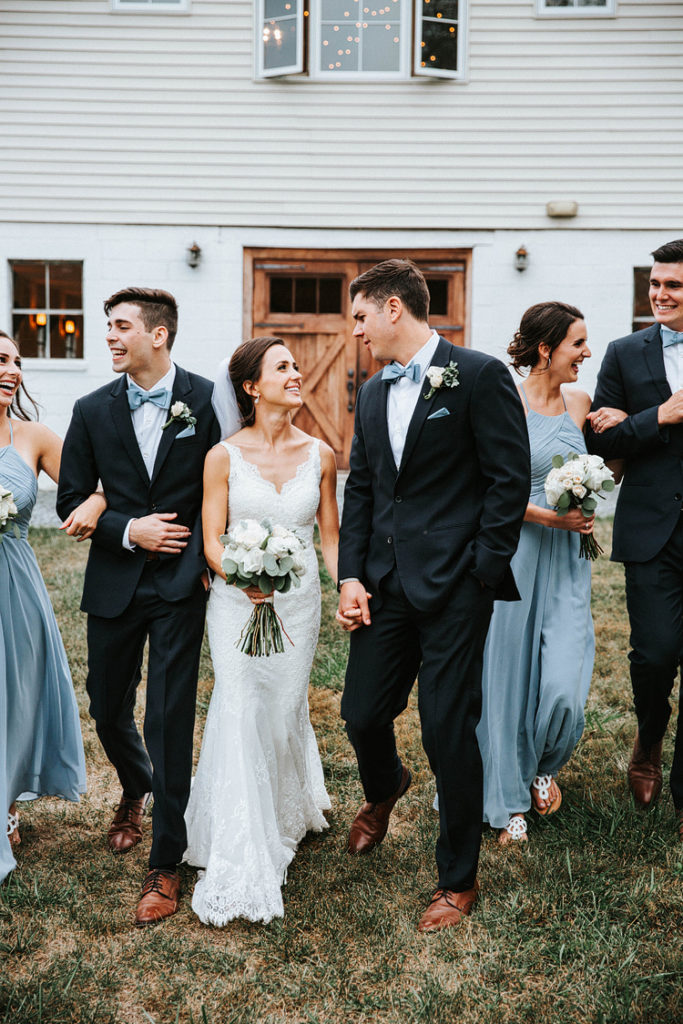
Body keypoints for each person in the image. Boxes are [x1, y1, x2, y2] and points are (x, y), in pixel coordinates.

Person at [335, 259, 531, 932]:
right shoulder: (369, 392)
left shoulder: (476, 375)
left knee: (447, 729)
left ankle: (457, 878)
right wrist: (351, 575)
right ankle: (385, 786)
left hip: (455, 588)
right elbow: (361, 488)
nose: (355, 331)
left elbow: (507, 480)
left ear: (394, 309)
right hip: (384, 585)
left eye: (360, 316)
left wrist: (481, 570)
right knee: (360, 713)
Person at [57, 288, 220, 925]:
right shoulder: (91, 408)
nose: (111, 337)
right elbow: (74, 496)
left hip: (182, 585)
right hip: (116, 581)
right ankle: (135, 784)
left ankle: (165, 862)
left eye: (122, 327)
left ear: (159, 335)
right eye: (109, 328)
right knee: (105, 702)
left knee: (170, 717)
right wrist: (128, 528)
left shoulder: (208, 399)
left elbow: (226, 480)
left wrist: (211, 558)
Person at [183, 336, 339, 925]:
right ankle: (246, 842)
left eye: (298, 365)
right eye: (282, 367)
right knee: (242, 700)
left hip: (299, 603)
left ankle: (282, 810)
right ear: (252, 387)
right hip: (235, 602)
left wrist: (346, 584)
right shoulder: (223, 455)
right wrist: (243, 574)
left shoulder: (321, 453)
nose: (296, 373)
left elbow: (328, 537)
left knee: (282, 706)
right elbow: (213, 540)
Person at [477, 303, 621, 844]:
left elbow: (608, 461)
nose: (587, 353)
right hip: (514, 552)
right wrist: (547, 515)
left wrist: (622, 427)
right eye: (578, 343)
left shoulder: (580, 403)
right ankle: (509, 796)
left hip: (567, 561)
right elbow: (484, 489)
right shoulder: (503, 403)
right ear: (546, 349)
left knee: (565, 677)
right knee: (507, 678)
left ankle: (544, 762)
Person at [0, 329, 105, 884]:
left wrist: (93, 501)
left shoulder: (33, 436)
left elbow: (100, 485)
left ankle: (4, 802)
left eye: (17, 361)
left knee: (12, 697)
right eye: (1, 359)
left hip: (12, 585)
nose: (13, 370)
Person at [587, 238, 683, 841]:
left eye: (673, 285)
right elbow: (602, 444)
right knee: (654, 654)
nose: (660, 294)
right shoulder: (625, 354)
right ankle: (649, 736)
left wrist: (635, 425)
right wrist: (657, 418)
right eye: (655, 283)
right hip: (653, 529)